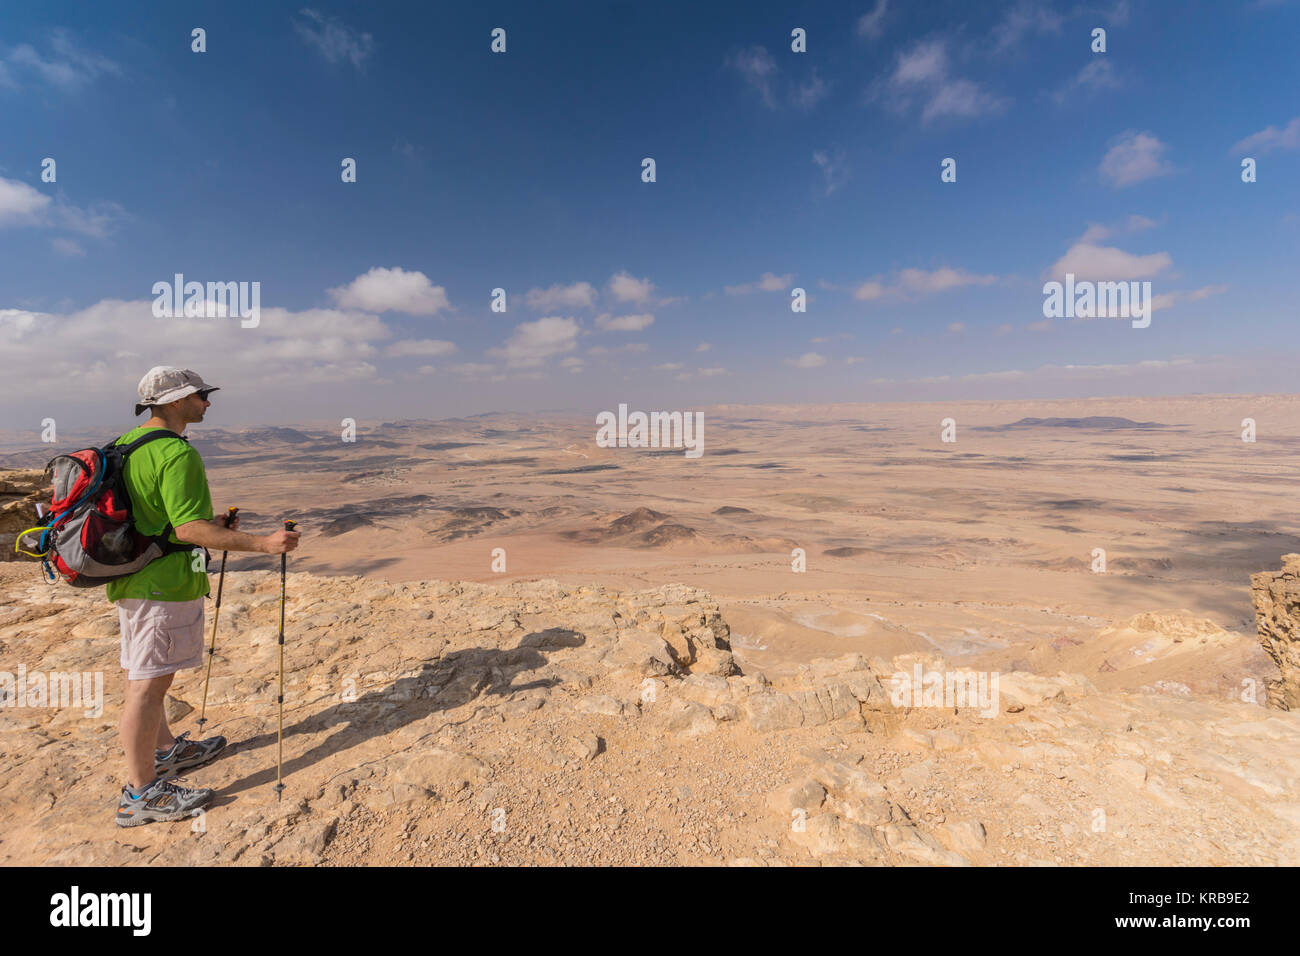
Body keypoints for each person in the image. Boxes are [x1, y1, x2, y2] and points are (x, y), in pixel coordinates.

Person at [113, 366, 300, 827]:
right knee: (147, 685)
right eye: (200, 395)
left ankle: (166, 751)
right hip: (163, 583)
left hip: (138, 578)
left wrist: (211, 524)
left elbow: (158, 516)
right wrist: (265, 544)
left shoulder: (127, 445)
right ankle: (141, 794)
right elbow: (188, 529)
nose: (207, 403)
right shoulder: (177, 454)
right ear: (176, 401)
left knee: (151, 676)